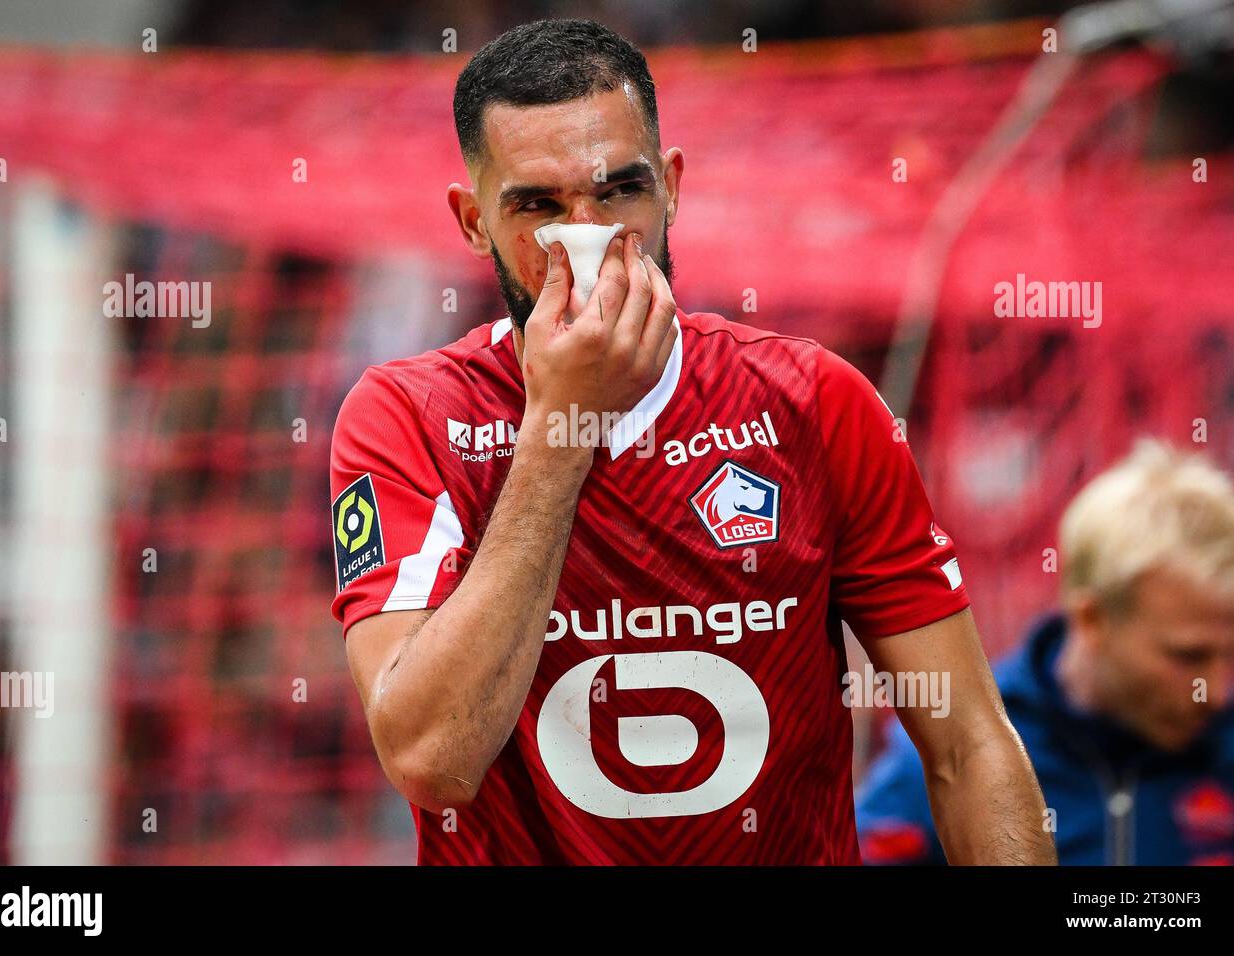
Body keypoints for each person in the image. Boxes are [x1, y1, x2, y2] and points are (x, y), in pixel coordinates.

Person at [330, 18, 1054, 865]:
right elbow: (430, 761)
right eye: (538, 206)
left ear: (671, 187)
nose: (589, 239)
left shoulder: (815, 404)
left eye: (618, 193)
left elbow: (969, 744)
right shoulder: (407, 416)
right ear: (471, 222)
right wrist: (563, 430)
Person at [858, 440, 1234, 865]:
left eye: (1230, 654)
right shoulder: (956, 756)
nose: (1214, 691)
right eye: (1188, 657)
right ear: (1091, 620)